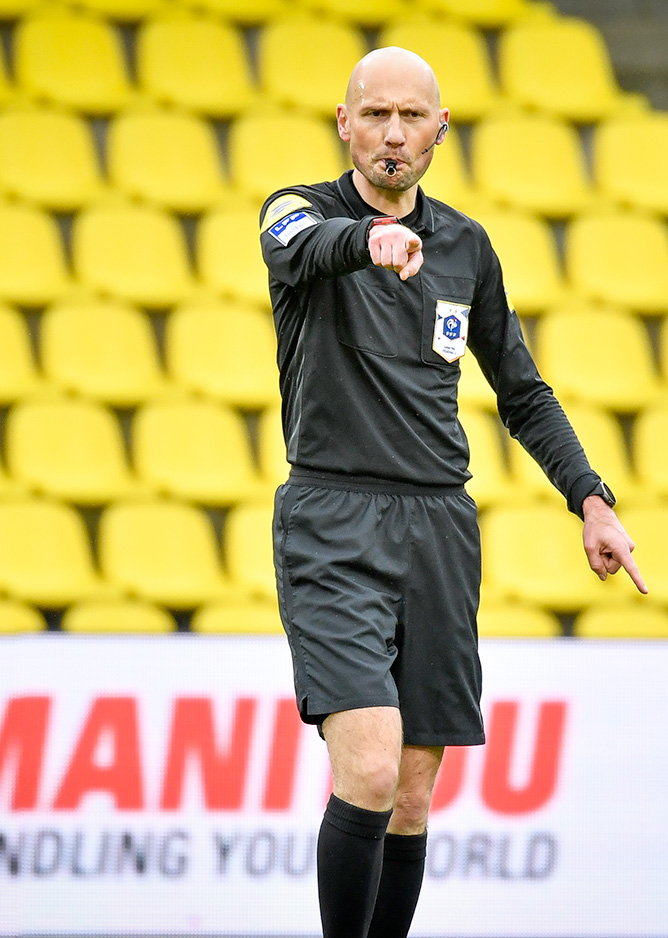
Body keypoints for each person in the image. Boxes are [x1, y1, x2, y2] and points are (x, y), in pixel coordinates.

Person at [258, 47, 647, 938]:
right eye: (376, 115)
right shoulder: (299, 214)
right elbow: (298, 243)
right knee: (365, 763)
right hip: (333, 518)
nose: (392, 133)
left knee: (411, 791)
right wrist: (369, 238)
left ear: (440, 130)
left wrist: (591, 499)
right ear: (344, 124)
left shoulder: (468, 247)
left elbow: (522, 389)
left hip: (439, 525)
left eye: (411, 117)